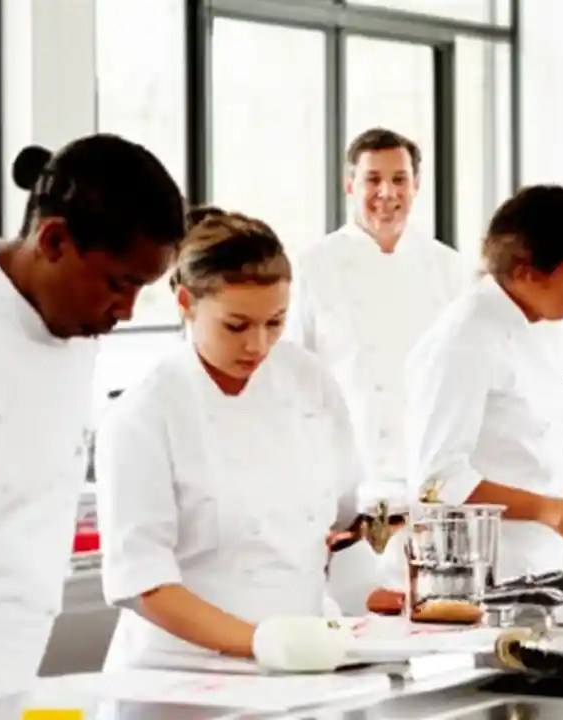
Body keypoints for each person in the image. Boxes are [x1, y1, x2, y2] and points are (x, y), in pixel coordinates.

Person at [0, 136, 184, 708]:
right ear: (54, 240)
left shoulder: (69, 322)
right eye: (120, 283)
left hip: (9, 672)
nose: (128, 312)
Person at [95, 208, 367, 671]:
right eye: (236, 326)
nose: (257, 345)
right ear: (186, 303)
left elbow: (341, 521)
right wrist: (263, 642)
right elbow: (143, 581)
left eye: (275, 323)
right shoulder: (146, 413)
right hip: (180, 674)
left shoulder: (308, 380)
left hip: (306, 661)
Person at [403, 185, 563, 581]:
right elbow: (438, 480)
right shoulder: (464, 338)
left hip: (540, 564)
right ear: (525, 272)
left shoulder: (537, 328)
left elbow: (525, 445)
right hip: (483, 575)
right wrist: (547, 508)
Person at [288, 128, 470, 507]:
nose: (387, 193)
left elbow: (460, 381)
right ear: (349, 185)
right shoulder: (313, 266)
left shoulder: (449, 269)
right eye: (373, 179)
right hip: (344, 482)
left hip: (428, 483)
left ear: (416, 185)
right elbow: (294, 376)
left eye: (399, 180)